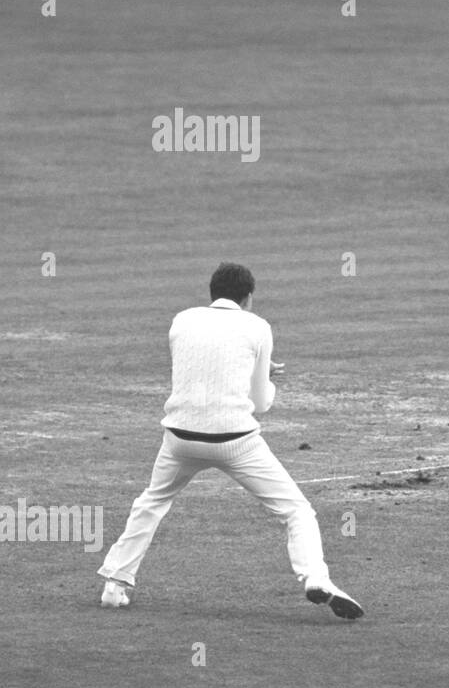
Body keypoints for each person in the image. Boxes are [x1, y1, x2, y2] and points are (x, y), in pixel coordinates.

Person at [97, 262, 363, 620]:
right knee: (297, 511)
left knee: (152, 502)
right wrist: (265, 375)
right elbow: (261, 403)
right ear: (248, 297)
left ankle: (115, 584)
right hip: (235, 442)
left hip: (180, 439)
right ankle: (316, 578)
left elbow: (201, 367)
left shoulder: (182, 320)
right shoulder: (258, 327)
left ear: (212, 293)